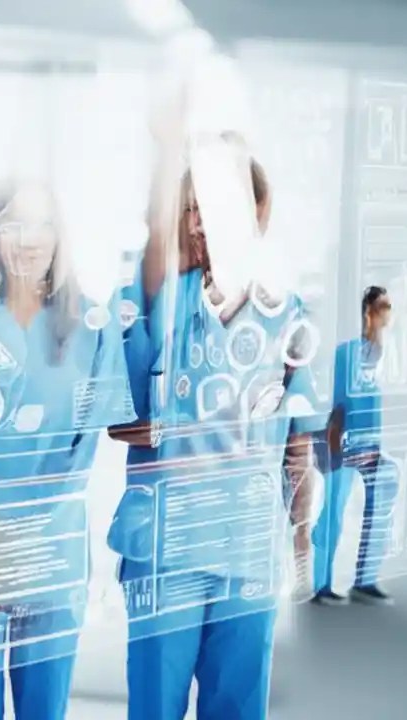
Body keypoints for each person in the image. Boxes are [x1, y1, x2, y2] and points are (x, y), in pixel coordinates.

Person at [107, 146, 325, 720]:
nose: (203, 221)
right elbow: (115, 413)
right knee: (156, 707)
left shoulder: (286, 310)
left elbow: (297, 441)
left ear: (256, 214)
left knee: (238, 706)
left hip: (249, 548)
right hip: (166, 548)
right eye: (193, 207)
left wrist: (301, 544)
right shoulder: (147, 301)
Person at [0, 177, 136, 719]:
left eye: (42, 223)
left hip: (52, 545)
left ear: (59, 234)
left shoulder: (92, 326)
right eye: (13, 224)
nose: (28, 239)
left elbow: (92, 443)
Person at [312, 285, 399, 606]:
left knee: (384, 494)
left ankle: (365, 580)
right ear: (368, 311)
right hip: (343, 445)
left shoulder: (387, 355)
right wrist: (332, 450)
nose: (387, 313)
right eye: (382, 306)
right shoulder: (346, 353)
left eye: (389, 307)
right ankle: (320, 585)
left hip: (371, 444)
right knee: (333, 510)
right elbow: (334, 404)